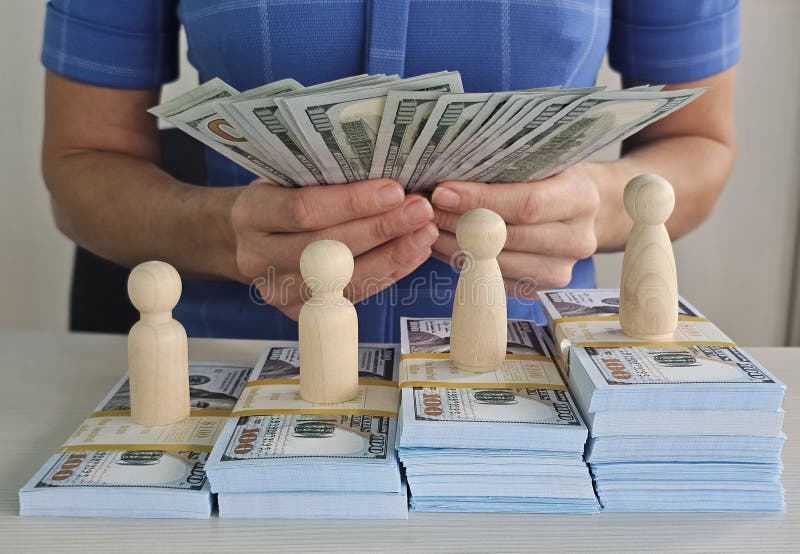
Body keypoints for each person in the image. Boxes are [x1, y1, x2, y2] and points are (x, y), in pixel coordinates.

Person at [40, 0, 738, 341]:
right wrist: (222, 234)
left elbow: (698, 141)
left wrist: (605, 204)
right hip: (230, 358)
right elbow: (82, 163)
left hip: (526, 363)